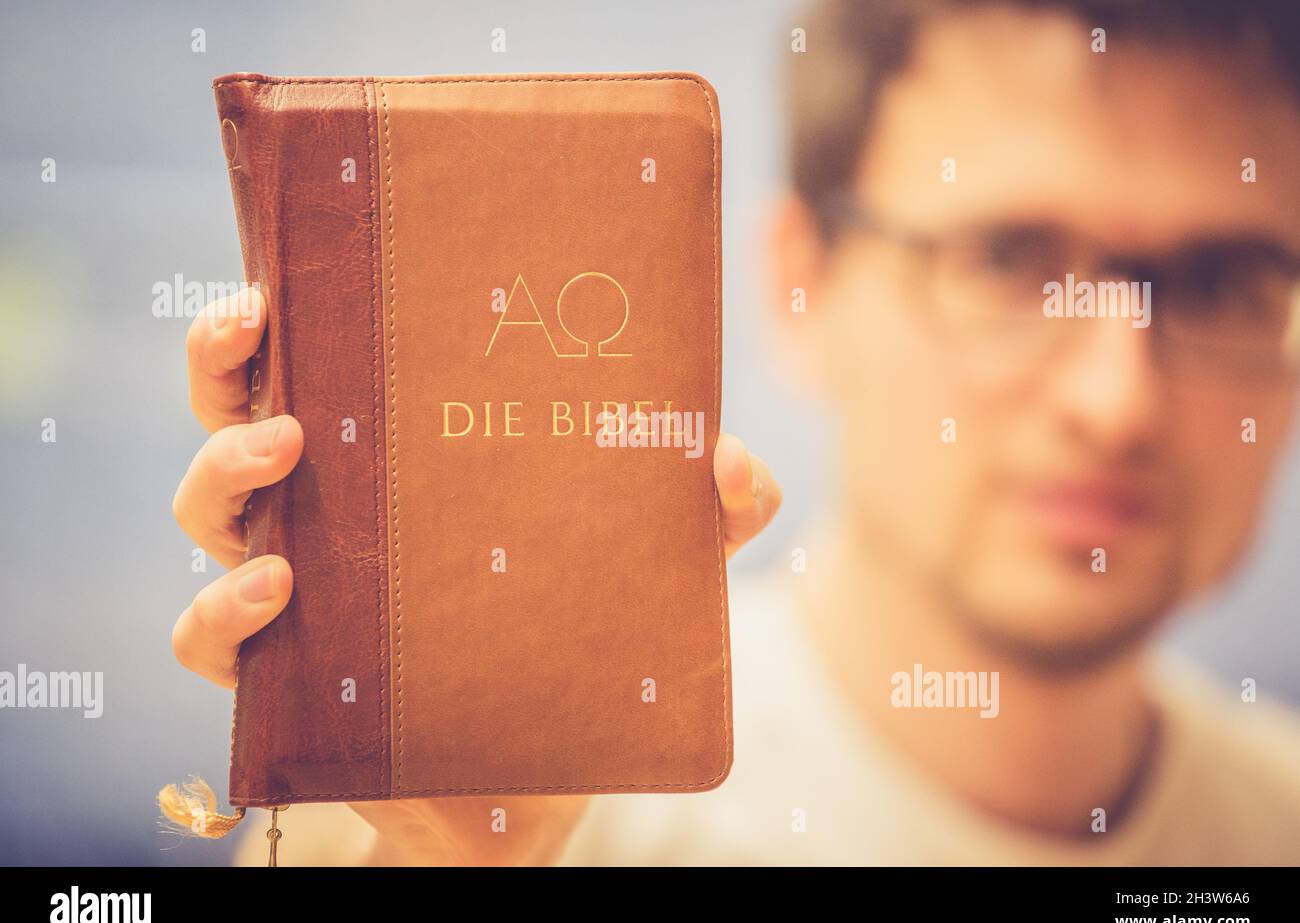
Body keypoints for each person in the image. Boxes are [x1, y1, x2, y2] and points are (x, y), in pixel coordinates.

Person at [174, 0, 1300, 865]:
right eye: (1004, 261)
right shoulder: (463, 801)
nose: (1117, 400)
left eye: (1222, 283)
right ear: (800, 285)